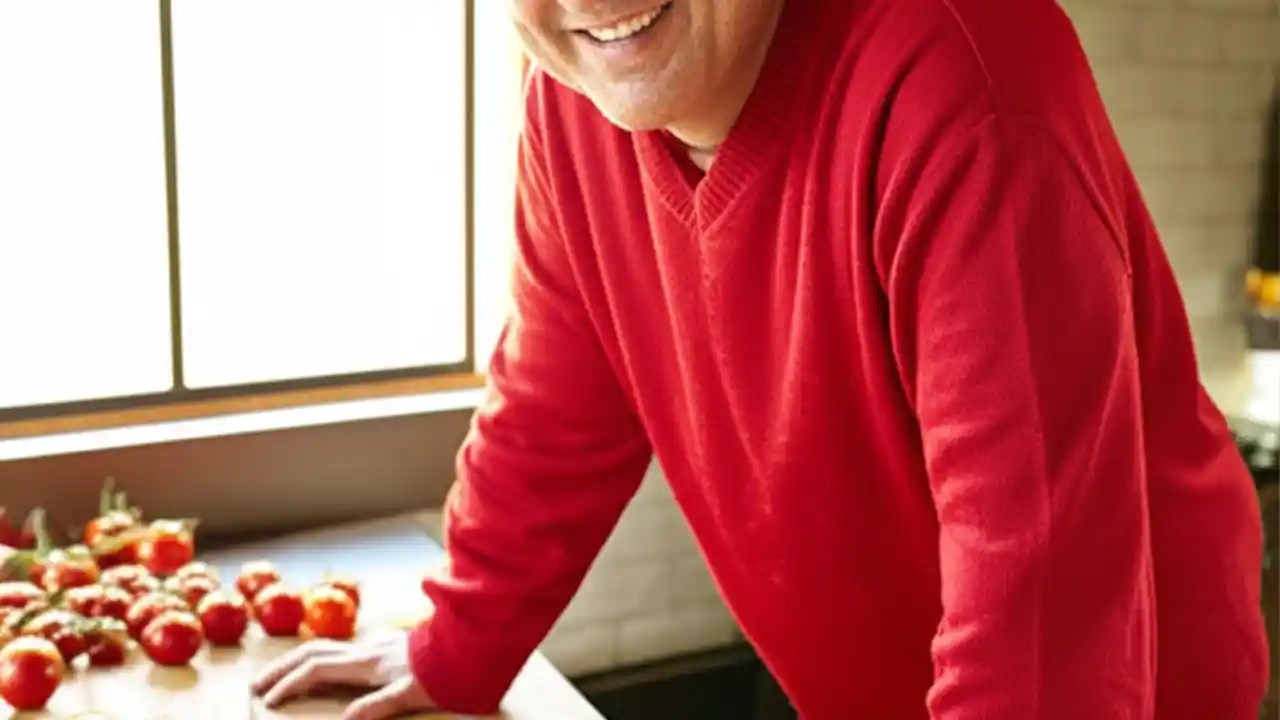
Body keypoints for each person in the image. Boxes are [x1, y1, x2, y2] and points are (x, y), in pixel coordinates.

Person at [253, 0, 1271, 717]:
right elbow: (551, 416)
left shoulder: (970, 87)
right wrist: (456, 646)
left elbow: (1042, 615)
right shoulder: (572, 110)